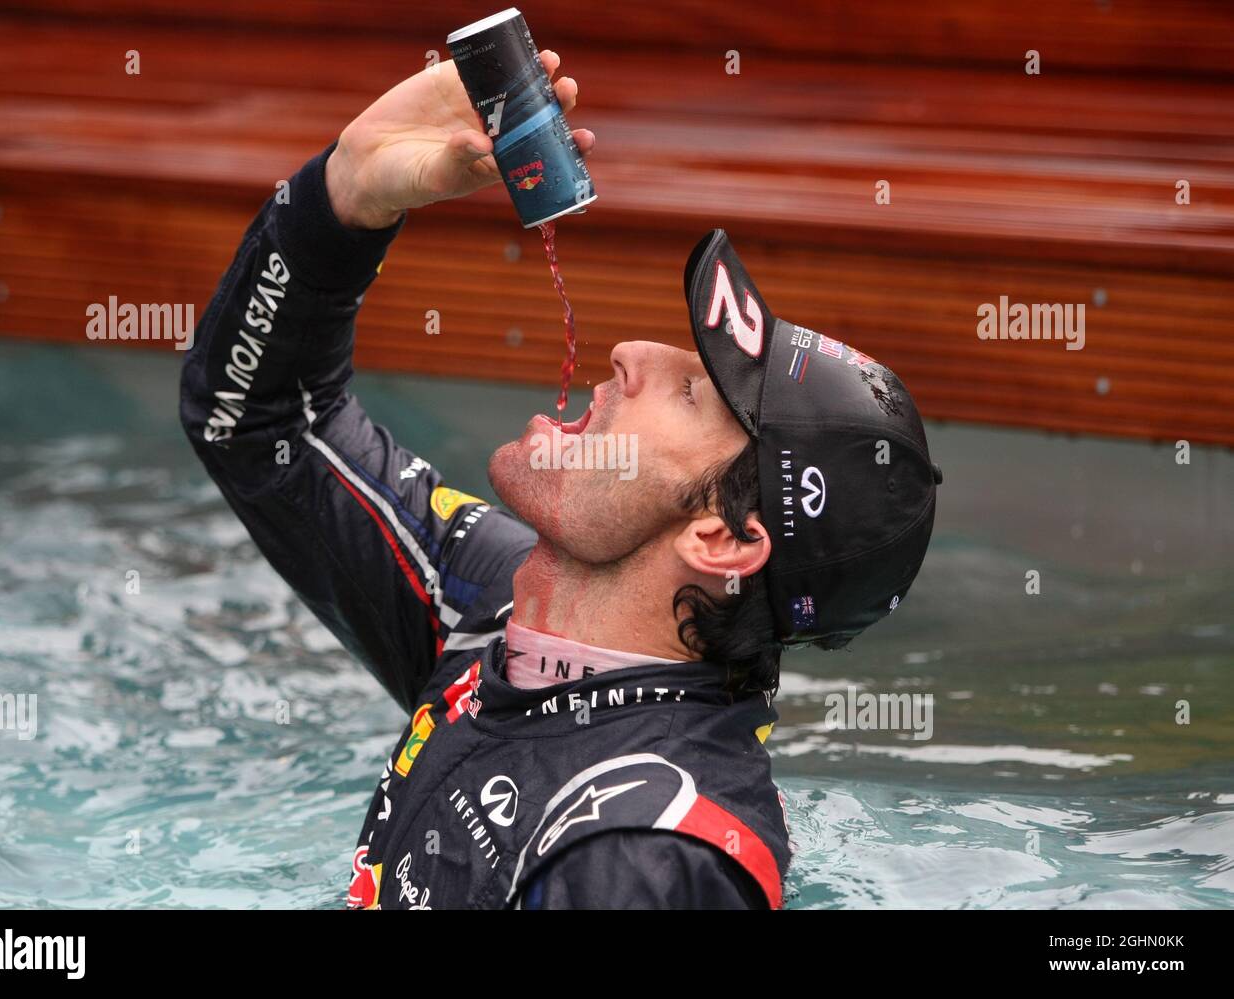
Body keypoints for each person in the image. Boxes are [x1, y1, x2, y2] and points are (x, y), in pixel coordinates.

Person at [180, 49, 941, 909]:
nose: (629, 353)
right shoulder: (501, 605)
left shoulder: (645, 858)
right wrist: (347, 196)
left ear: (721, 536)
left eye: (691, 390)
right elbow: (264, 425)